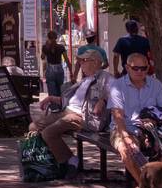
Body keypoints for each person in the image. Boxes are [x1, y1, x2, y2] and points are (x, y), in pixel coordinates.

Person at [32, 45, 112, 178]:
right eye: (80, 61)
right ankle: (54, 159)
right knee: (33, 127)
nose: (80, 64)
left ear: (96, 62)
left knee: (48, 133)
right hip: (67, 111)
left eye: (84, 61)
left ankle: (69, 162)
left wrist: (103, 100)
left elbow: (114, 92)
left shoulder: (106, 78)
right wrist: (51, 98)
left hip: (83, 117)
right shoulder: (85, 80)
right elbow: (68, 100)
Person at [109, 52, 162, 188]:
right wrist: (126, 137)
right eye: (136, 68)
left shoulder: (156, 84)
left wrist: (154, 119)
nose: (140, 72)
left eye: (144, 68)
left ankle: (151, 185)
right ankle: (145, 187)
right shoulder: (117, 86)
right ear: (127, 68)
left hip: (151, 130)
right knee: (127, 150)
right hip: (125, 128)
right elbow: (117, 116)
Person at [41, 30, 70, 102]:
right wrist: (71, 72)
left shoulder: (45, 47)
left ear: (48, 38)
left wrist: (46, 47)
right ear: (56, 38)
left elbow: (42, 57)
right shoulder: (61, 47)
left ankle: (54, 107)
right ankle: (60, 104)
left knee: (51, 89)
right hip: (59, 68)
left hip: (50, 68)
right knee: (60, 88)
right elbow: (66, 59)